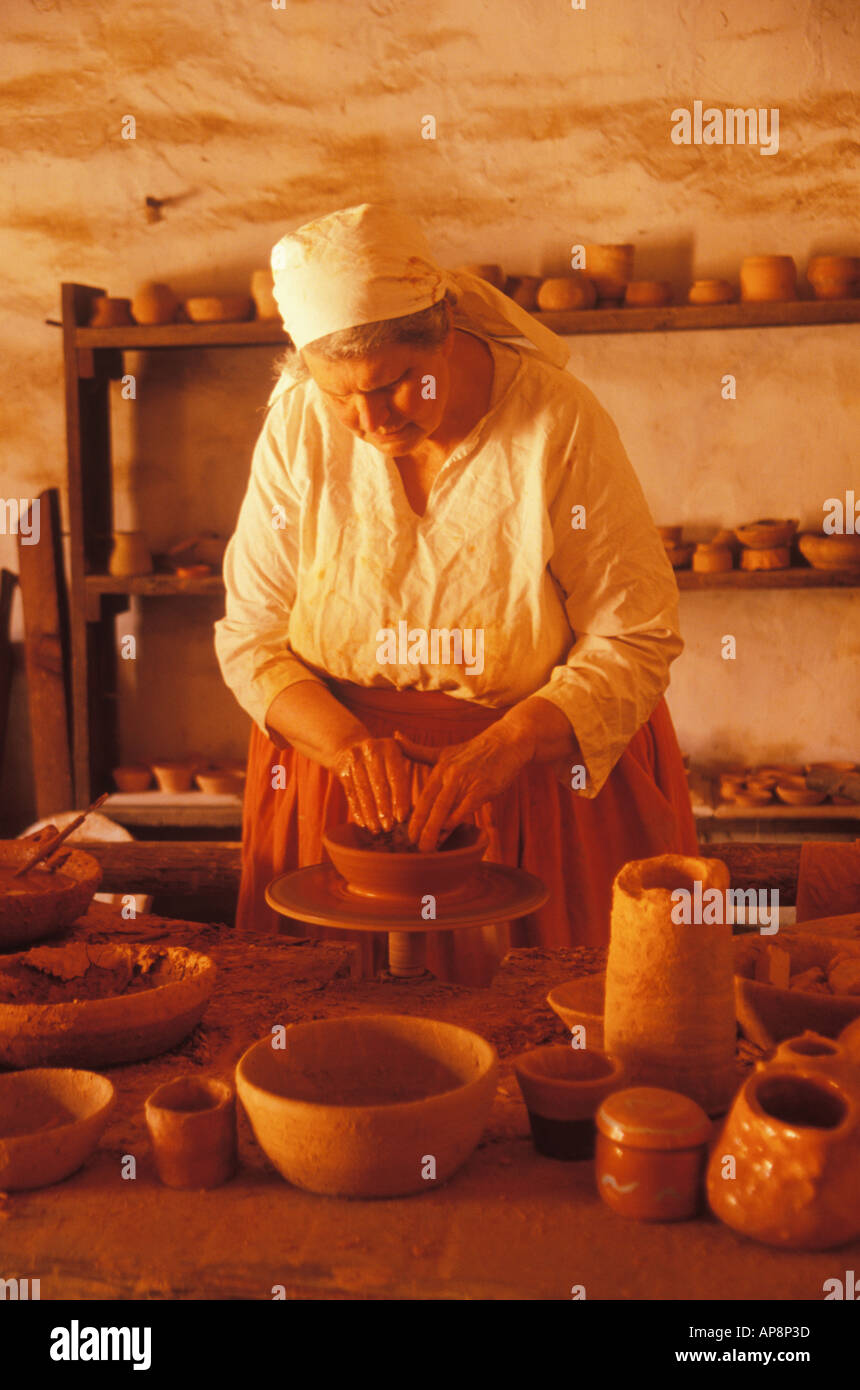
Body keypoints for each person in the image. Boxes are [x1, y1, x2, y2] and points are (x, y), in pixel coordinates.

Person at [214, 203, 698, 985]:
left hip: (533, 783)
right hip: (346, 789)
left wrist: (509, 744)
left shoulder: (554, 420)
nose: (369, 420)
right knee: (339, 1055)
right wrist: (347, 751)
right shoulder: (301, 424)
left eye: (396, 384)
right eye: (343, 396)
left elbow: (635, 634)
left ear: (443, 333)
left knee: (541, 1040)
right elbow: (249, 637)